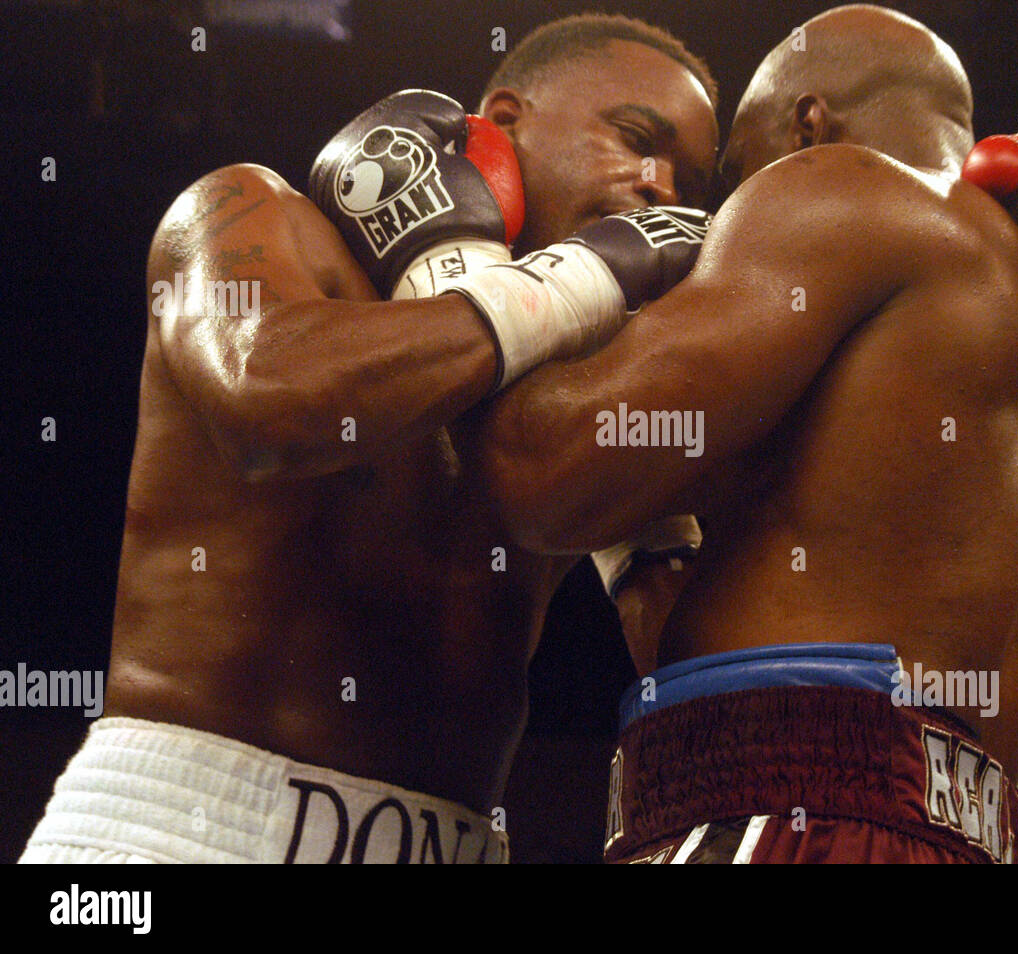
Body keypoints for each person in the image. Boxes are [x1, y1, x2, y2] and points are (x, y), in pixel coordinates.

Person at [461, 4, 1018, 862]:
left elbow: (537, 478)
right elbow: (717, 644)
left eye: (733, 175)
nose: (714, 219)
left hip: (786, 816)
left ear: (807, 123)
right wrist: (646, 527)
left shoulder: (838, 186)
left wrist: (462, 263)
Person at [19, 13, 719, 864]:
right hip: (188, 829)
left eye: (689, 176)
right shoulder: (254, 213)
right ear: (502, 119)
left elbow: (684, 661)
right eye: (637, 138)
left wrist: (659, 519)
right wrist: (575, 280)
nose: (661, 186)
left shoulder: (573, 390)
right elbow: (267, 403)